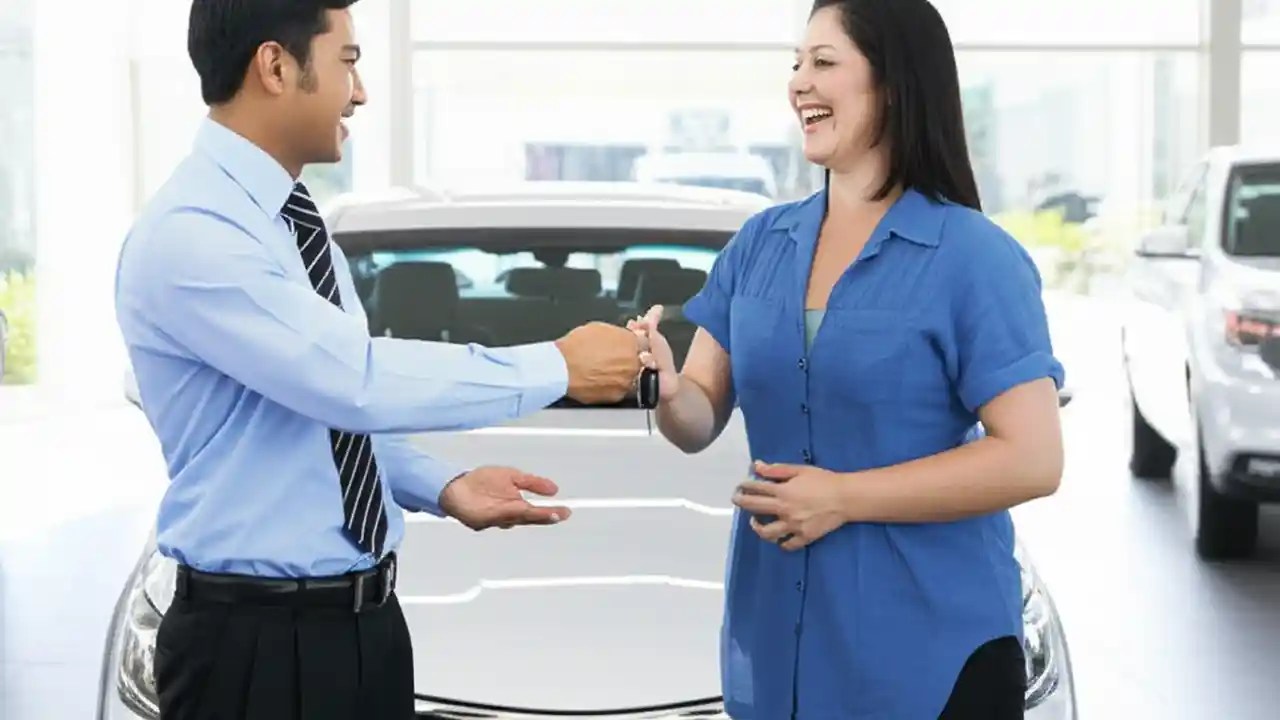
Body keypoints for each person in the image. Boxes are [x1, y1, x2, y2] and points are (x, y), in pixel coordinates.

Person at [112, 2, 643, 718]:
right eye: (349, 62)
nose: (359, 93)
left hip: (361, 629)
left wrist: (439, 482)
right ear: (276, 66)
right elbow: (350, 379)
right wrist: (557, 366)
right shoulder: (196, 232)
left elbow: (312, 421)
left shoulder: (290, 226)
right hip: (253, 650)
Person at [630, 1, 1066, 718]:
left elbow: (1032, 459)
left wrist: (843, 498)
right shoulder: (760, 244)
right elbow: (698, 419)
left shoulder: (974, 257)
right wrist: (668, 387)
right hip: (780, 636)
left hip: (935, 646)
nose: (800, 82)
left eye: (824, 62)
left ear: (893, 82)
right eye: (796, 64)